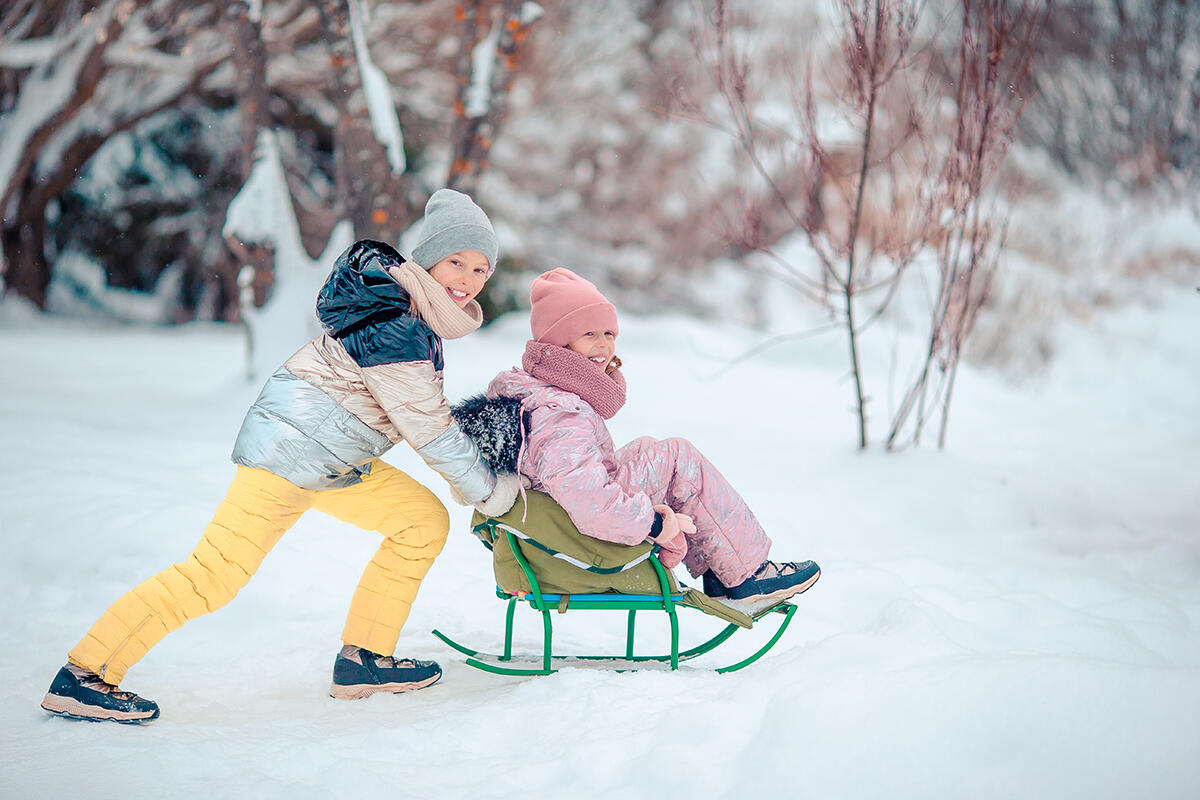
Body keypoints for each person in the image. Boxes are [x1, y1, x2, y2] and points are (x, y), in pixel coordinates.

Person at [41, 189, 520, 724]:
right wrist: (487, 489)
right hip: (292, 456)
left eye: (481, 268)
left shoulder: (409, 311)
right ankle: (85, 674)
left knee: (420, 521)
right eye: (456, 261)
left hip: (331, 462)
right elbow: (427, 426)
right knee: (213, 576)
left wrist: (466, 473)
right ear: (427, 259)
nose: (469, 278)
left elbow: (417, 417)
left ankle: (364, 660)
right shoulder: (397, 322)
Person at [478, 267, 820, 614]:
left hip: (562, 515)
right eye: (589, 333)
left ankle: (722, 570)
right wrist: (653, 523)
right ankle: (746, 575)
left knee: (648, 449)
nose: (604, 345)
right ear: (559, 343)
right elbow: (590, 503)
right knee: (678, 459)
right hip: (578, 534)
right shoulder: (558, 413)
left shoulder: (544, 395)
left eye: (609, 332)